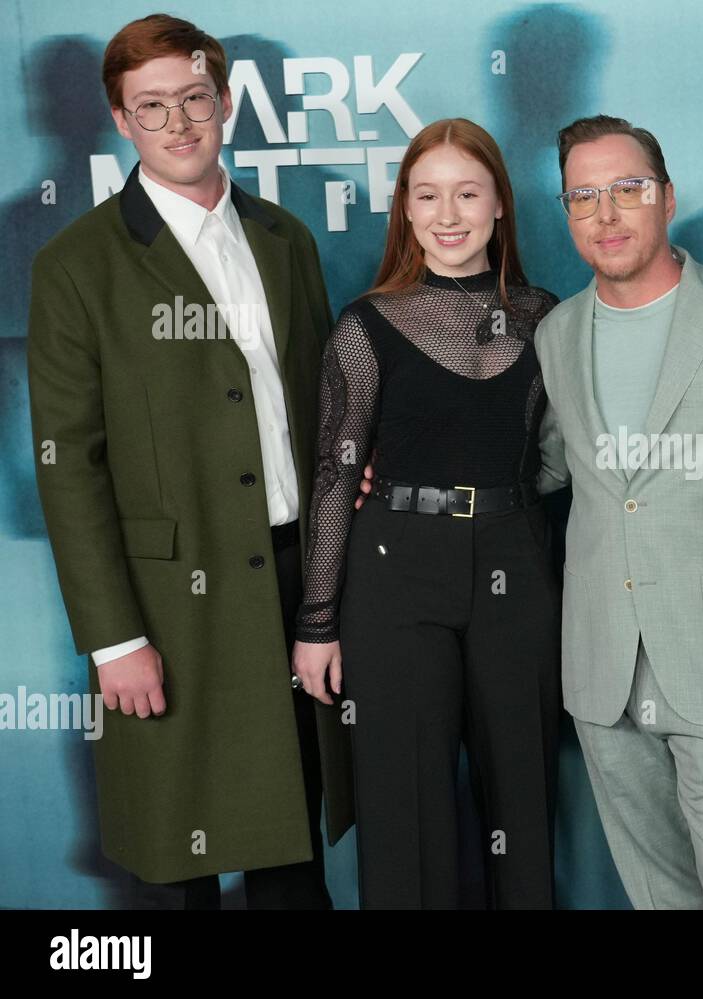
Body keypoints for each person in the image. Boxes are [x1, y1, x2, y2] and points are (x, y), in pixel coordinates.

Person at [27, 14, 352, 908]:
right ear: (121, 122)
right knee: (182, 866)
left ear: (227, 104)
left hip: (294, 581)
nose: (179, 124)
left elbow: (321, 410)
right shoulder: (76, 265)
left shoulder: (287, 238)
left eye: (194, 99)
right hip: (169, 605)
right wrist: (115, 638)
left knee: (293, 852)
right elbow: (69, 468)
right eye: (152, 106)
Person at [292, 119, 562, 909]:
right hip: (394, 574)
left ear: (501, 205)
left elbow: (562, 455)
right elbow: (335, 477)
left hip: (518, 561)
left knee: (525, 799)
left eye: (468, 192)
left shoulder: (550, 318)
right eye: (428, 194)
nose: (449, 213)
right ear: (405, 211)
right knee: (403, 807)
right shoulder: (365, 324)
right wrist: (316, 622)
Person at [532, 115, 703, 908]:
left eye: (627, 190)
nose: (606, 214)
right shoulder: (556, 332)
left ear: (668, 198)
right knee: (657, 892)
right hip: (603, 662)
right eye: (584, 196)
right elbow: (548, 469)